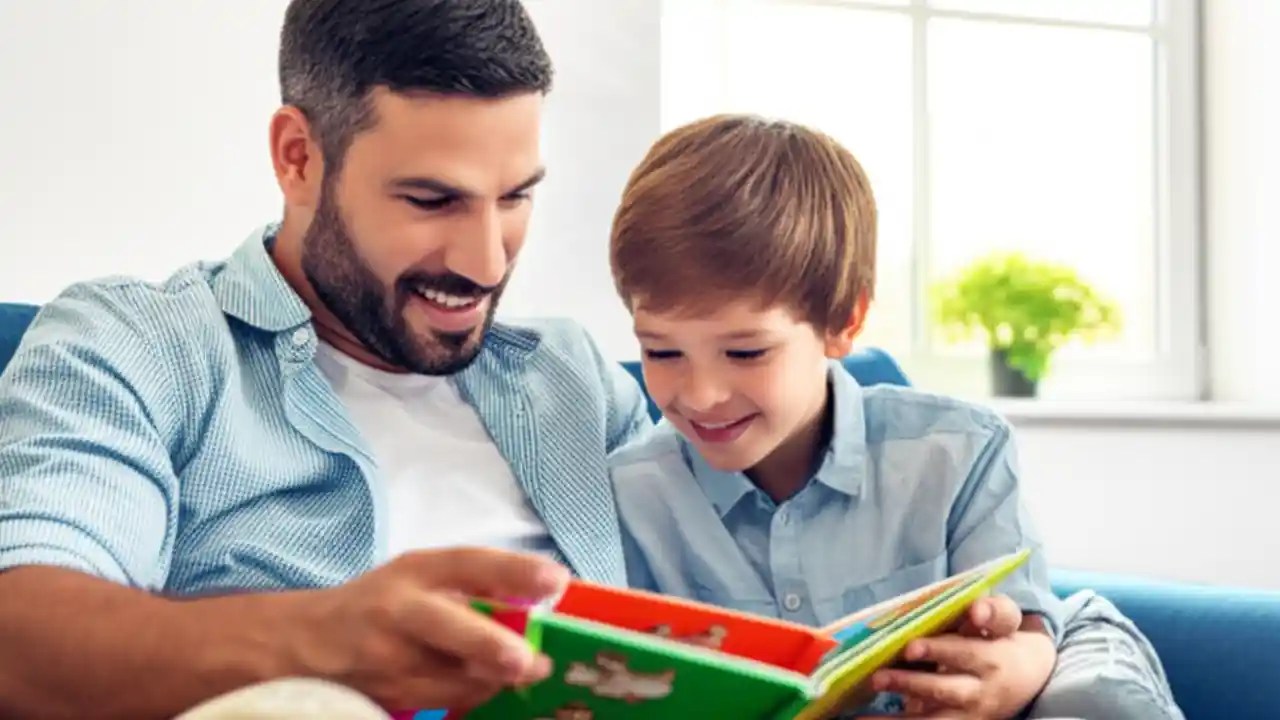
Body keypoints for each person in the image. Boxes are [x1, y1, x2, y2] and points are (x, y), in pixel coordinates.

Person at [0, 1, 652, 717]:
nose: (486, 261)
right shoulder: (140, 345)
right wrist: (323, 643)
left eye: (516, 197)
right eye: (433, 200)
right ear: (299, 158)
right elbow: (20, 637)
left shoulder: (570, 377)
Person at [607, 114, 1184, 718]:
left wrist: (1016, 663)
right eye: (661, 351)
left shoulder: (959, 449)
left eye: (747, 352)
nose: (700, 394)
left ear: (843, 323)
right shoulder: (629, 500)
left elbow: (1030, 629)